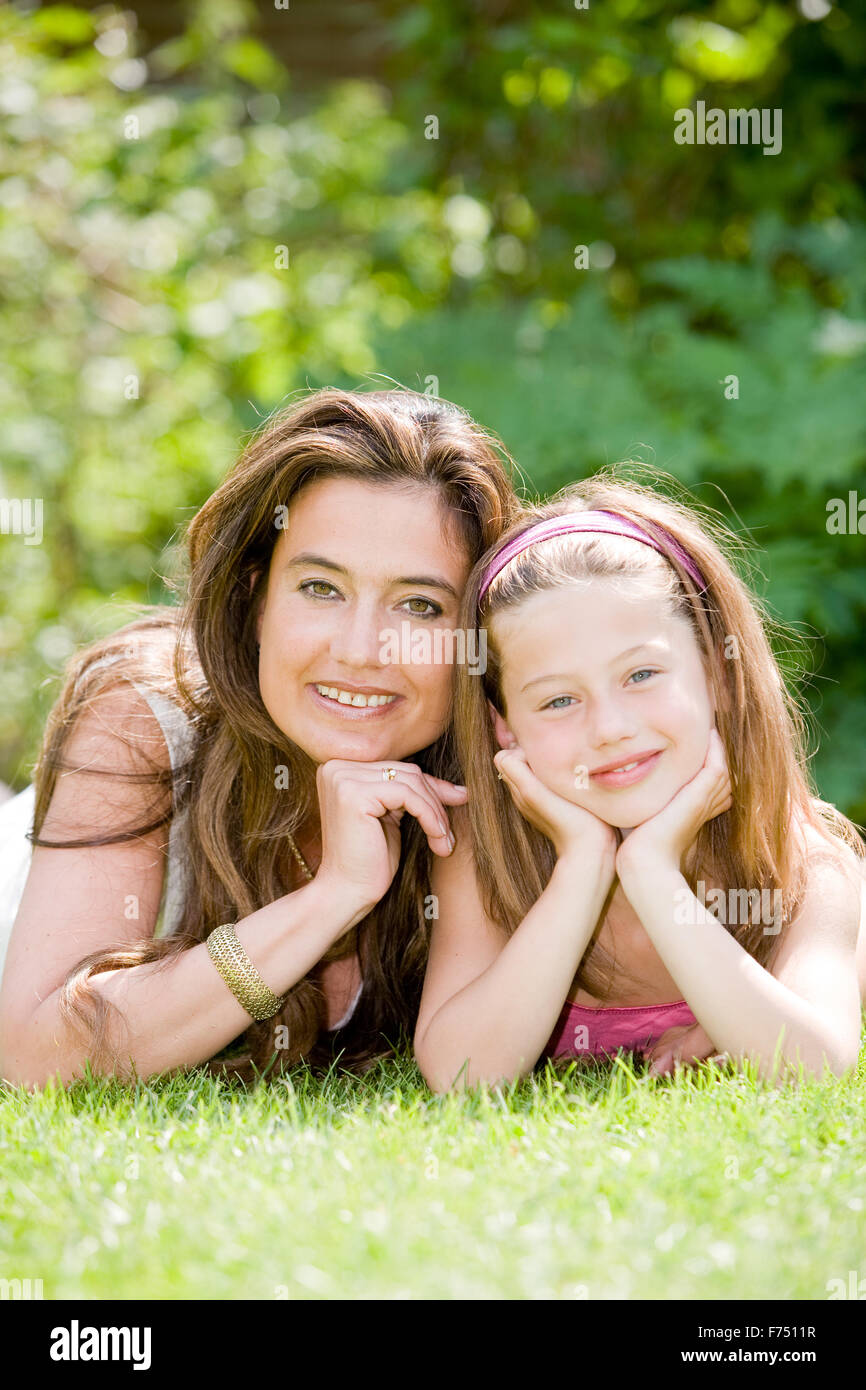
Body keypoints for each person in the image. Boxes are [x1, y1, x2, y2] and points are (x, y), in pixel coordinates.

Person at [0, 387, 522, 1088]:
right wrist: (333, 895)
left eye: (421, 605)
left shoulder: (486, 763)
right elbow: (33, 1060)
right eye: (321, 588)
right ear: (255, 598)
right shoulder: (146, 718)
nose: (363, 650)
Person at [414, 469, 866, 1092]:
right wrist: (584, 863)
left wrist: (651, 870)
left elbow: (813, 1071)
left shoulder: (802, 861)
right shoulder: (483, 851)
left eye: (641, 675)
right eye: (557, 701)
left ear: (718, 675)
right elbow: (462, 1077)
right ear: (504, 727)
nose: (610, 729)